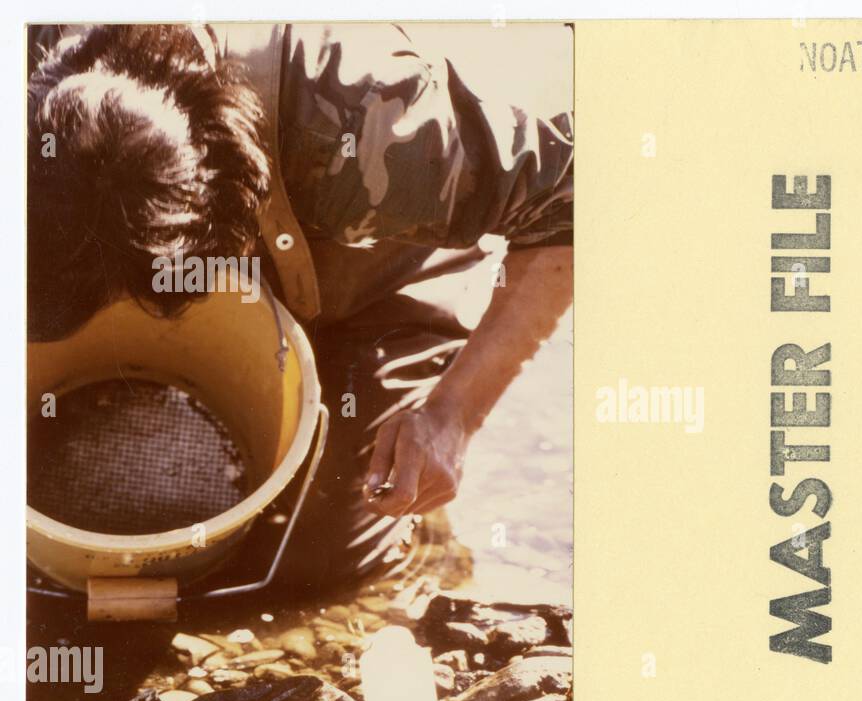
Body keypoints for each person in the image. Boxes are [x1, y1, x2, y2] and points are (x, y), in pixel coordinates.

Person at [27, 23, 574, 592]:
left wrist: (453, 415)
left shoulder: (379, 126)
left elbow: (573, 201)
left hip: (366, 286)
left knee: (317, 571)